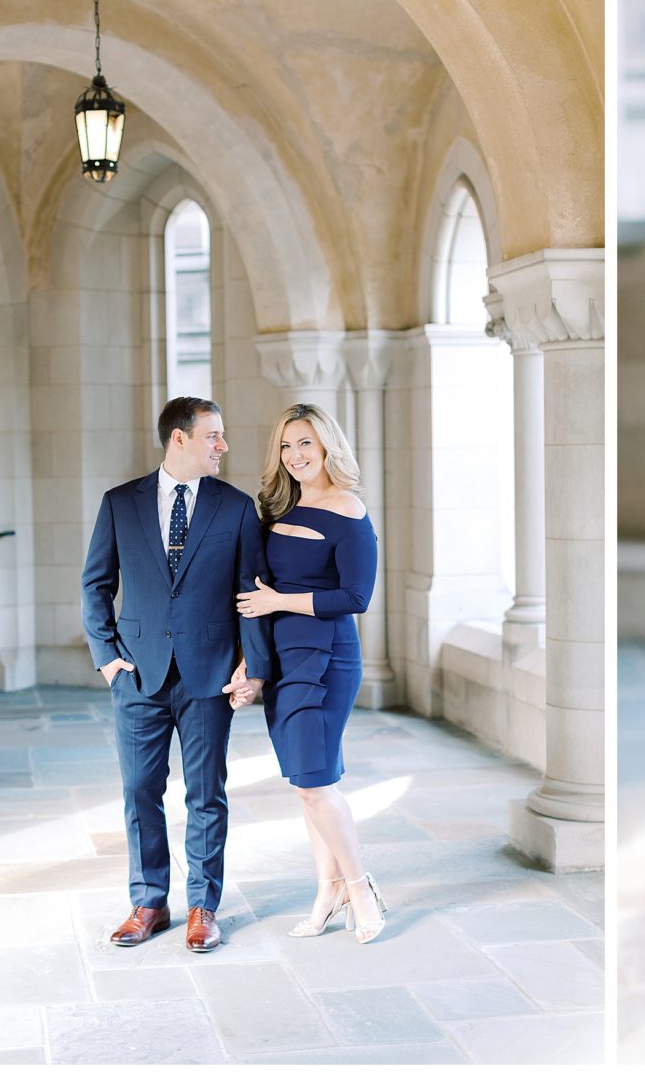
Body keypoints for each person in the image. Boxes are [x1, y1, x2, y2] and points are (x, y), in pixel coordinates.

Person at [81, 396, 271, 953]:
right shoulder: (120, 503)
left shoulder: (236, 508)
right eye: (213, 435)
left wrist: (251, 666)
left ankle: (204, 907)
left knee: (206, 793)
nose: (223, 445)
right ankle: (148, 902)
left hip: (208, 674)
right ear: (179, 438)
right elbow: (96, 584)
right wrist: (109, 658)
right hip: (137, 674)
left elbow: (250, 594)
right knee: (140, 790)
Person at [230, 403, 388, 942]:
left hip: (327, 656)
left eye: (304, 444)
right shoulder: (276, 511)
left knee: (317, 783)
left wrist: (280, 600)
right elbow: (258, 597)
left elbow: (356, 596)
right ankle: (327, 890)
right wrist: (251, 661)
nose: (294, 455)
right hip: (282, 659)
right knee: (307, 783)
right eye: (285, 446)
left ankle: (360, 887)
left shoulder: (348, 509)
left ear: (327, 447)